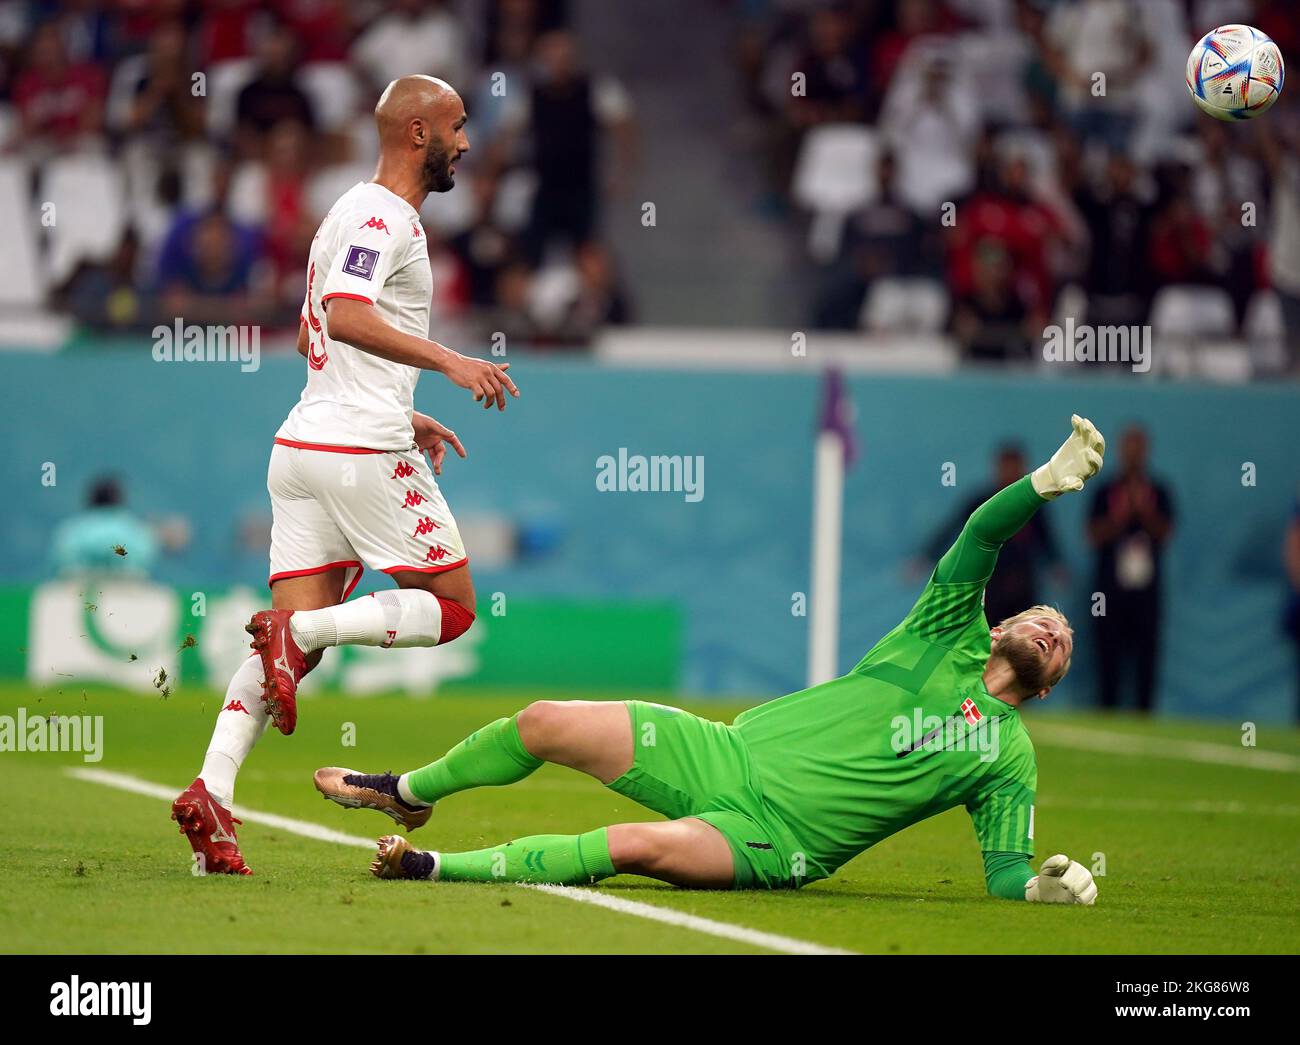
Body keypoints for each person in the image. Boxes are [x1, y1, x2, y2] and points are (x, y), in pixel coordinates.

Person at [317, 417, 1105, 905]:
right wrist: (1039, 484)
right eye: (1041, 617)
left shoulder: (1007, 757)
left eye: (1064, 639)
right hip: (723, 751)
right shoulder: (946, 630)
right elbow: (981, 536)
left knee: (631, 846)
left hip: (778, 840)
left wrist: (1045, 889)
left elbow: (1005, 875)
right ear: (1002, 624)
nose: (1051, 630)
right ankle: (407, 793)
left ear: (1054, 681)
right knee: (543, 722)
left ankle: (429, 867)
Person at [171, 75, 518, 876]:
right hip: (358, 451)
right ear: (419, 134)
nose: (468, 141)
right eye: (458, 126)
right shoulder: (382, 217)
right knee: (455, 608)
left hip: (304, 448)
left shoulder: (342, 214)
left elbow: (310, 340)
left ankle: (213, 790)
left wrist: (403, 405)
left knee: (291, 649)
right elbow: (345, 315)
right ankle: (303, 632)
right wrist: (449, 363)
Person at [921, 443, 1063, 627]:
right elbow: (953, 528)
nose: (1010, 472)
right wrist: (926, 557)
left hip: (1023, 583)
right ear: (998, 468)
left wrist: (1056, 565)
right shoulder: (981, 502)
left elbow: (1046, 540)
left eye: (1015, 467)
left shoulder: (1034, 506)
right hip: (989, 584)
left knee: (1022, 634)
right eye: (1006, 467)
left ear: (1024, 468)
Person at [1086, 424, 1174, 713]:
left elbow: (1166, 532)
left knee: (1146, 657)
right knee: (1107, 655)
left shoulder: (1158, 490)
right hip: (1109, 590)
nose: (1134, 454)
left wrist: (1144, 512)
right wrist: (1122, 516)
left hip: (1146, 590)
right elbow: (1093, 535)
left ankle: (1145, 715)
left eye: (1139, 447)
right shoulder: (1105, 490)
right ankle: (1105, 713)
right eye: (1129, 447)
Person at [50, 477, 159, 578]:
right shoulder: (136, 529)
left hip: (79, 583)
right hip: (126, 583)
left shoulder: (72, 529)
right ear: (120, 499)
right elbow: (143, 560)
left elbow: (63, 559)